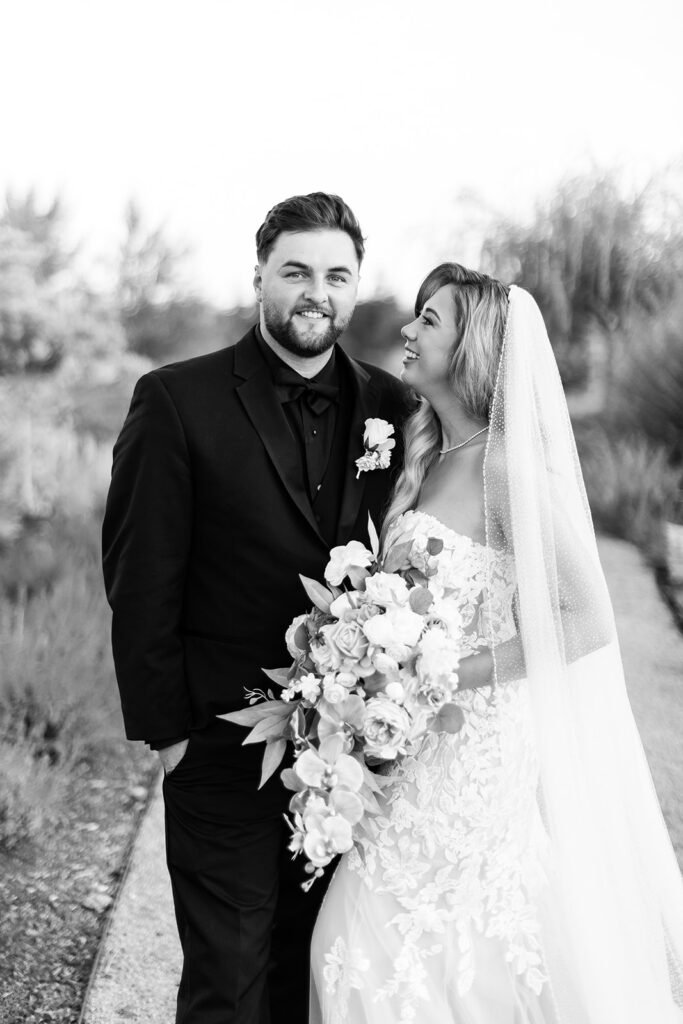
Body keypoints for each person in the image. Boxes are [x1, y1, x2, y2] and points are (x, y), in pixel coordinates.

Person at [311, 263, 683, 1022]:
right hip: (405, 757)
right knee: (348, 956)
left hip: (473, 759)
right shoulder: (425, 456)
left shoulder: (507, 468)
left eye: (430, 320)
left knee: (460, 963)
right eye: (414, 314)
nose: (408, 332)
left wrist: (448, 677)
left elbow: (585, 620)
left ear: (473, 345)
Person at [101, 192, 411, 1024]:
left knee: (309, 973)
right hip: (219, 746)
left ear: (354, 287)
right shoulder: (175, 399)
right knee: (226, 982)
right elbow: (138, 575)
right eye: (297, 271)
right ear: (259, 278)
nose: (318, 291)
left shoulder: (396, 410)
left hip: (349, 759)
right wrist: (169, 737)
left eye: (336, 275)